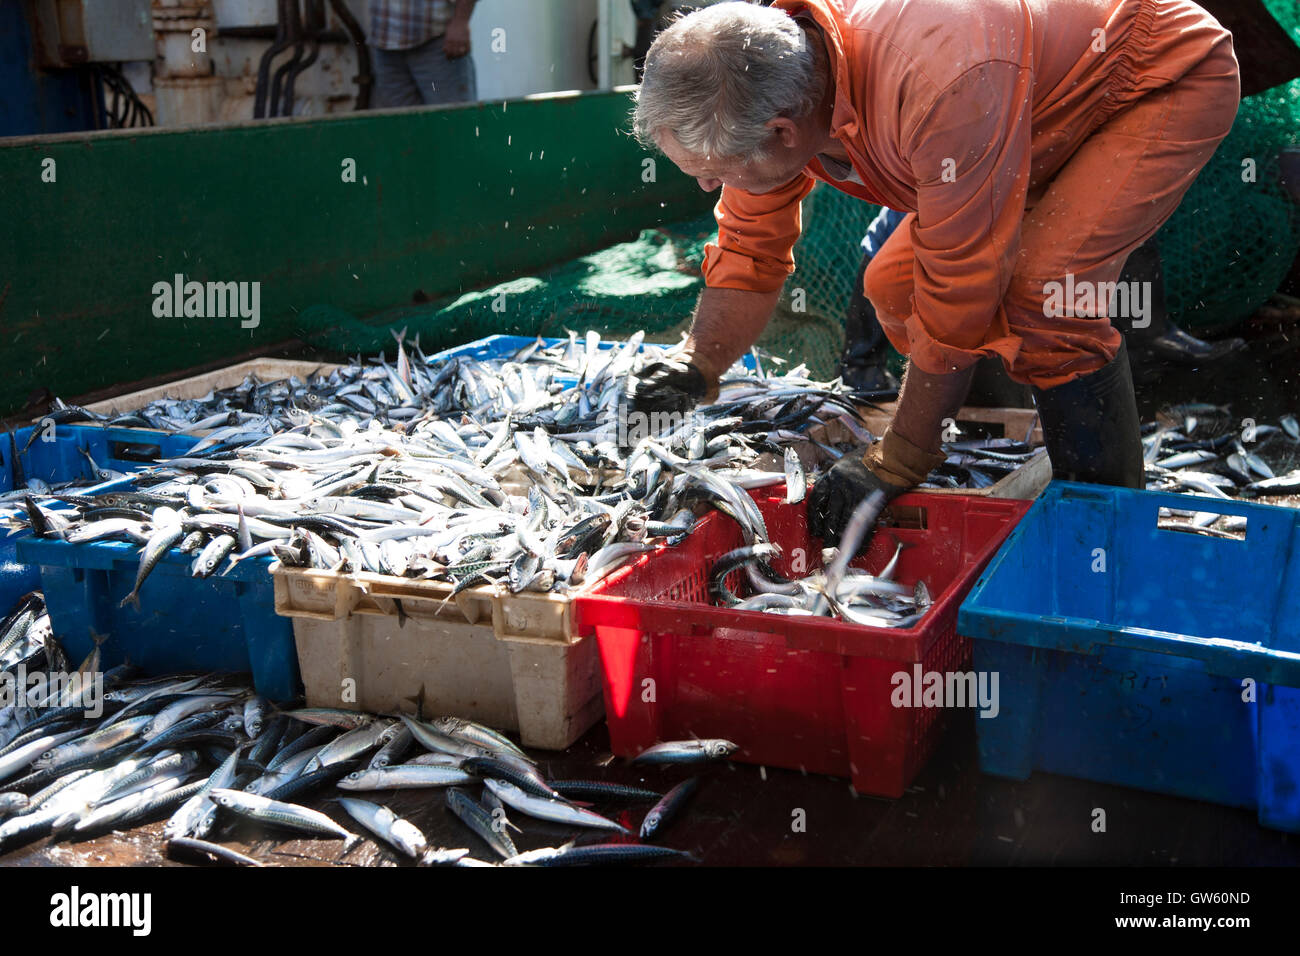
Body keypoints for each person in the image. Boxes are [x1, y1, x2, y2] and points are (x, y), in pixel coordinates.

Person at [626, 0, 1239, 545]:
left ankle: (1102, 523)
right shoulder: (770, 81)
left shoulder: (935, 80)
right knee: (893, 287)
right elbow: (750, 244)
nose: (708, 184)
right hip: (1020, 117)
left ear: (783, 132)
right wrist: (697, 363)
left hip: (1146, 81)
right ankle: (994, 431)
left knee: (1045, 297)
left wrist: (897, 461)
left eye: (712, 170)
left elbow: (961, 291)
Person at [838, 211, 1246, 394]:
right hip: (960, 139)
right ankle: (863, 363)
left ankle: (1150, 332)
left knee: (1122, 207)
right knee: (900, 232)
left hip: (1053, 113)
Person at [368, 0, 477, 108]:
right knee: (400, 123)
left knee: (453, 120)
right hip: (385, 47)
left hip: (438, 45)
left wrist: (460, 22)